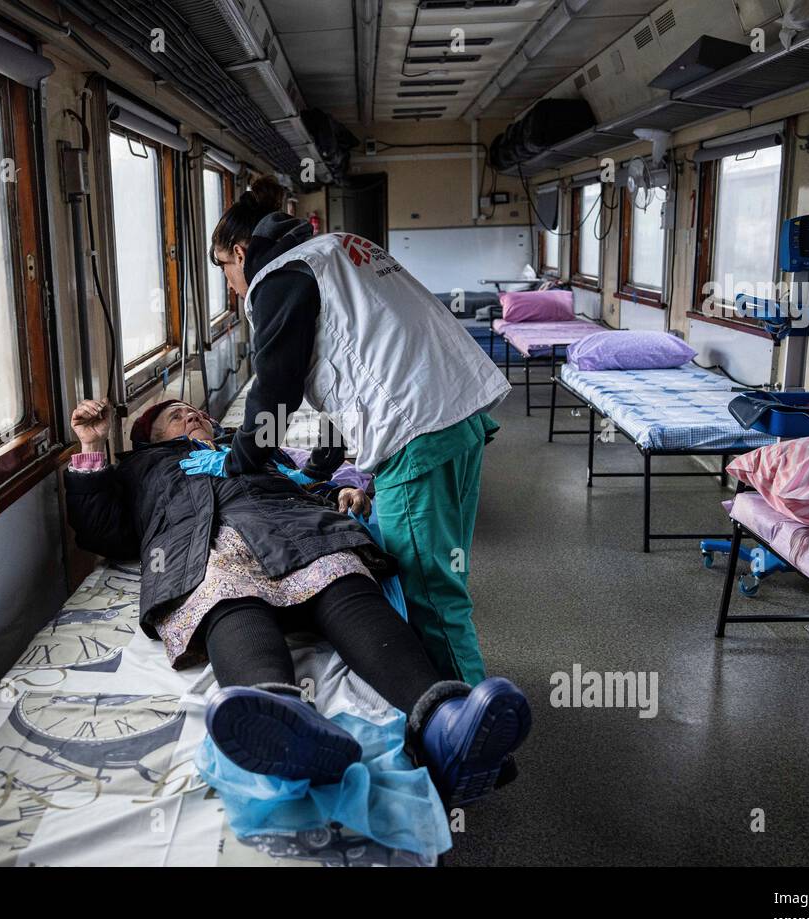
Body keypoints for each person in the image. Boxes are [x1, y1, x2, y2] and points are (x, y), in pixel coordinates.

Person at [65, 396, 530, 804]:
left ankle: (445, 722)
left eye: (195, 411)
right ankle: (280, 721)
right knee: (225, 599)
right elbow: (103, 531)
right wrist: (91, 446)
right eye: (174, 414)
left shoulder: (252, 451)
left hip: (295, 527)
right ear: (150, 439)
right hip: (203, 545)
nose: (190, 414)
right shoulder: (142, 467)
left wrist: (343, 489)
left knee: (345, 581)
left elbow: (303, 478)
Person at [197, 174, 509, 685]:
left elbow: (276, 392)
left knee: (427, 592)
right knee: (442, 578)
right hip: (456, 412)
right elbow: (363, 367)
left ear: (240, 250)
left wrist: (238, 464)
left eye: (224, 268)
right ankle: (458, 698)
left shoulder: (276, 277)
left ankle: (469, 728)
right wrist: (321, 465)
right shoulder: (335, 248)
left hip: (416, 433)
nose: (230, 283)